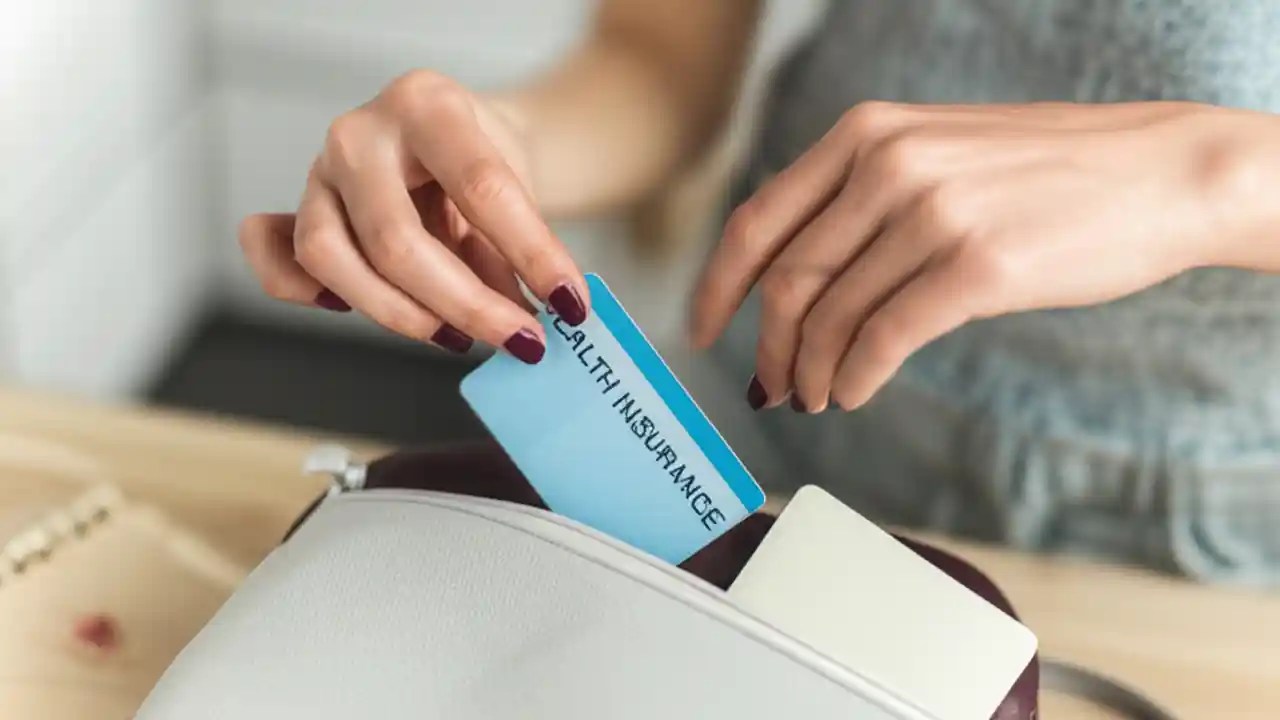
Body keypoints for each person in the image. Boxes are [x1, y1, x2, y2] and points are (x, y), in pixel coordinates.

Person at [238, 0, 1280, 585]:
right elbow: (656, 57)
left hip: (1224, 553)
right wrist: (500, 152)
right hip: (766, 432)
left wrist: (1219, 177)